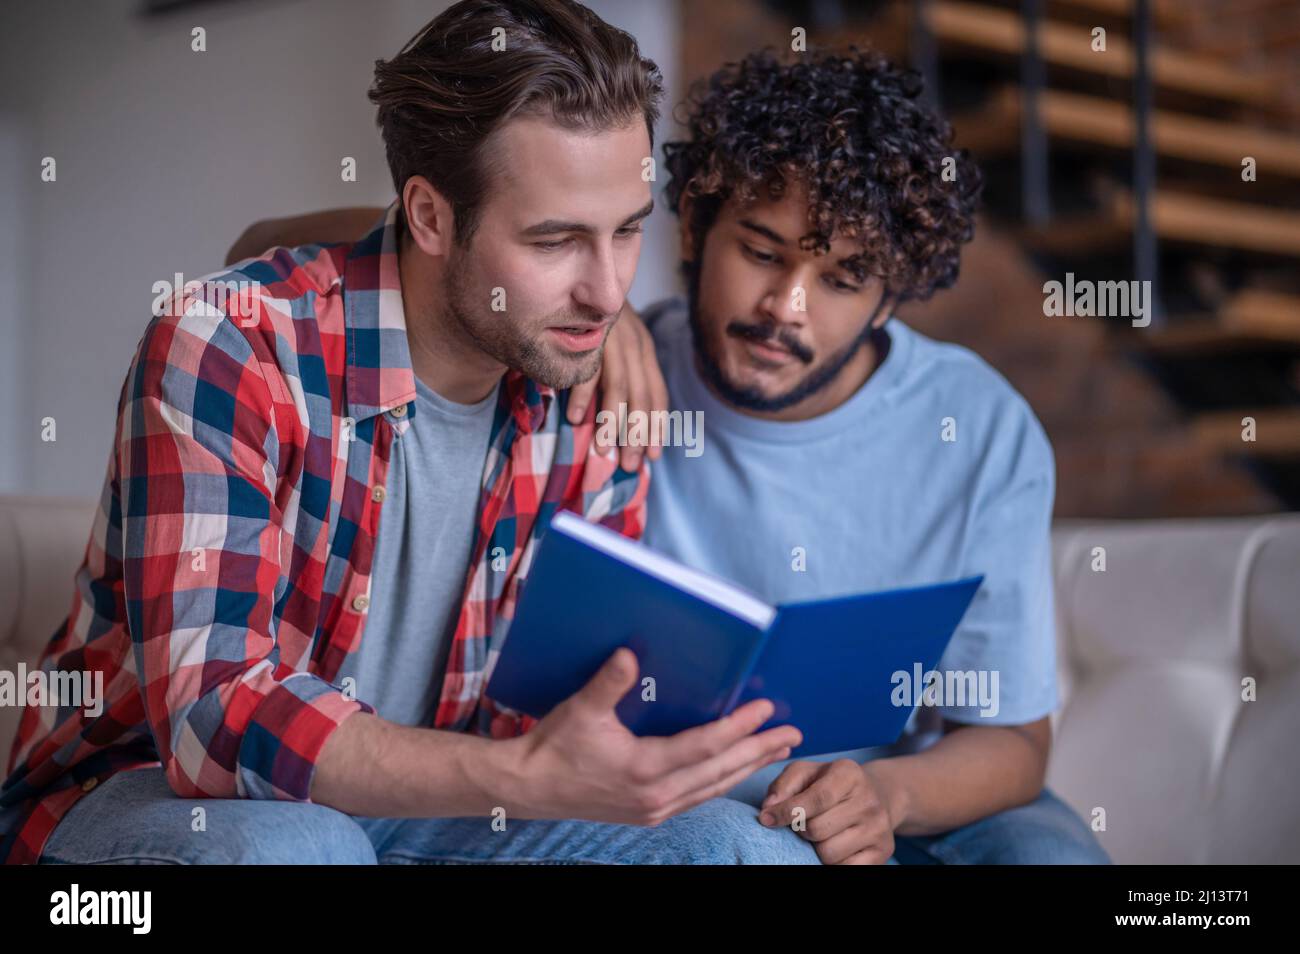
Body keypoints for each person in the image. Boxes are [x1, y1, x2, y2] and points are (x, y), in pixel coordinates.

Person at [238, 46, 1112, 865]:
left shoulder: (981, 430)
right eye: (760, 252)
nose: (787, 307)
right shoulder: (594, 357)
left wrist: (887, 793)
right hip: (675, 796)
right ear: (695, 226)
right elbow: (270, 248)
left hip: (897, 788)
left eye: (843, 280)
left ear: (891, 301)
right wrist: (601, 319)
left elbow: (1012, 740)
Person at [1, 0, 806, 867]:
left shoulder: (589, 384)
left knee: (742, 849)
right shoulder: (231, 345)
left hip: (449, 800)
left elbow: (576, 715)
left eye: (627, 231)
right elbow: (211, 722)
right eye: (555, 241)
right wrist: (522, 776)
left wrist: (775, 773)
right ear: (428, 217)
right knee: (304, 850)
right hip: (152, 797)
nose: (609, 294)